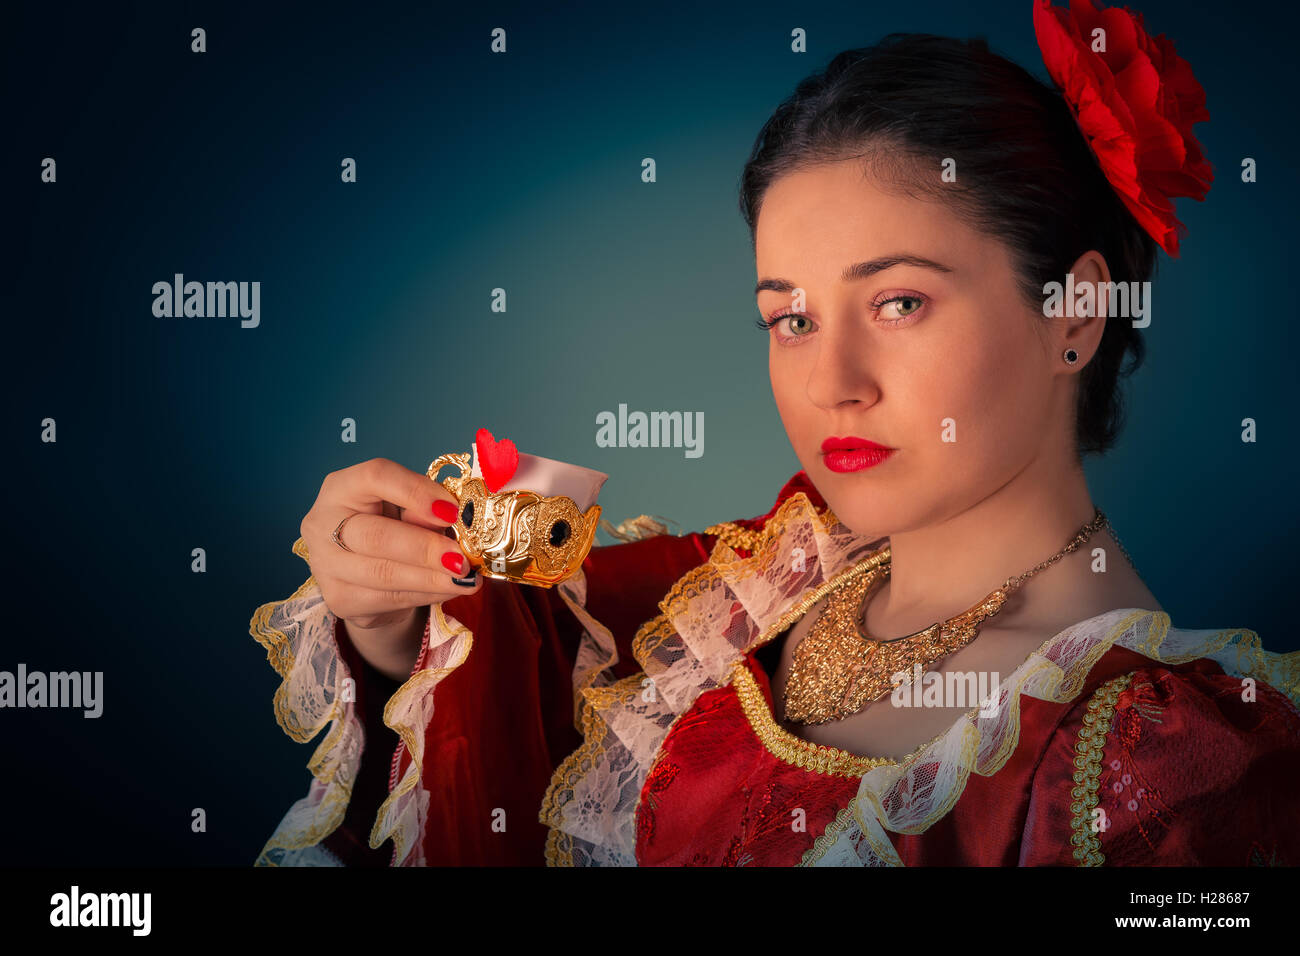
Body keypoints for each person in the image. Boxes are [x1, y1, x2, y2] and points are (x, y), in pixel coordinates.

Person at [251, 1, 1300, 867]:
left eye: (898, 302)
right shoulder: (754, 588)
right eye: (790, 318)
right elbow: (517, 708)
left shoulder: (1162, 767)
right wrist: (394, 625)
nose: (830, 383)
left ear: (1073, 311)